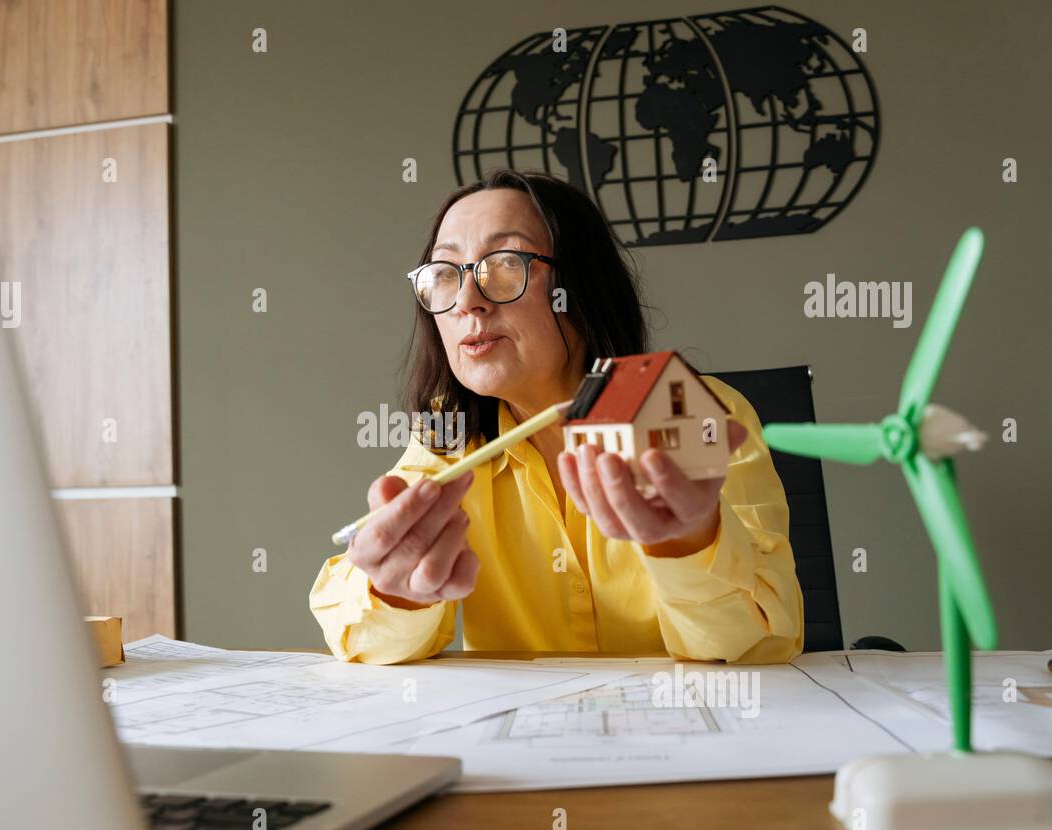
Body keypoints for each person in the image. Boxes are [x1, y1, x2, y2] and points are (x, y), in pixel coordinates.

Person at [309, 169, 803, 665]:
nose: (466, 302)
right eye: (444, 273)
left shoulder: (688, 409)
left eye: (505, 263)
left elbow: (760, 646)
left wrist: (691, 540)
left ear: (580, 285)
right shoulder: (447, 433)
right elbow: (360, 640)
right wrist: (398, 590)